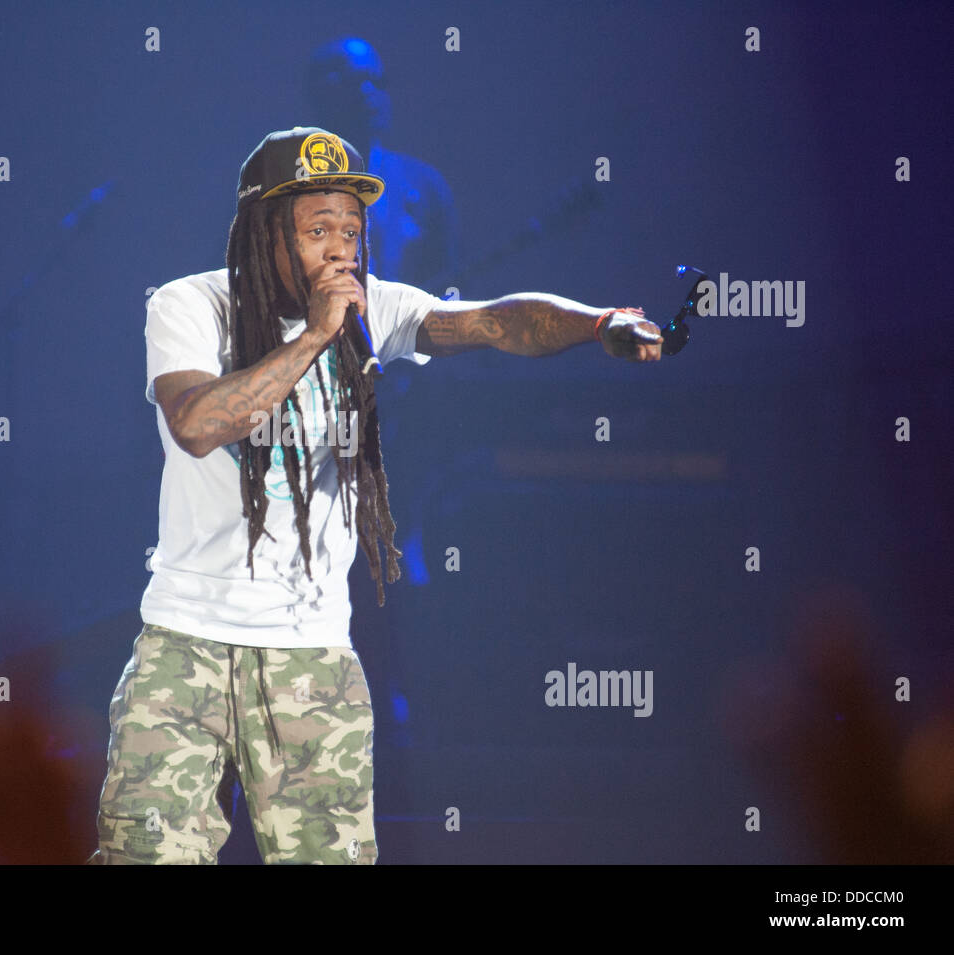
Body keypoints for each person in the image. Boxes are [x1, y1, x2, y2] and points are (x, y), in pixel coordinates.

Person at [88, 126, 664, 864]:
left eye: (351, 232)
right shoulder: (190, 305)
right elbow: (199, 424)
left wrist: (597, 324)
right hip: (184, 645)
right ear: (265, 231)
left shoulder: (375, 309)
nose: (340, 250)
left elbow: (493, 319)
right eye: (317, 230)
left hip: (310, 657)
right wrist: (313, 338)